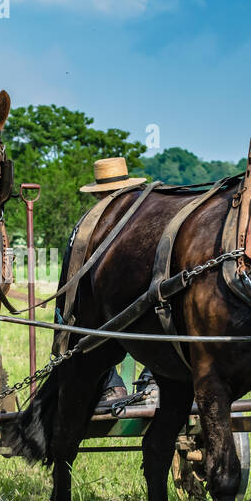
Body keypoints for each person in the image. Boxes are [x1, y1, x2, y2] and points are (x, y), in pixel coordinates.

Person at [73, 157, 149, 403]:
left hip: (105, 312)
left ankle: (113, 384)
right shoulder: (147, 220)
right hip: (144, 306)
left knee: (86, 323)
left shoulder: (90, 228)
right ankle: (152, 379)